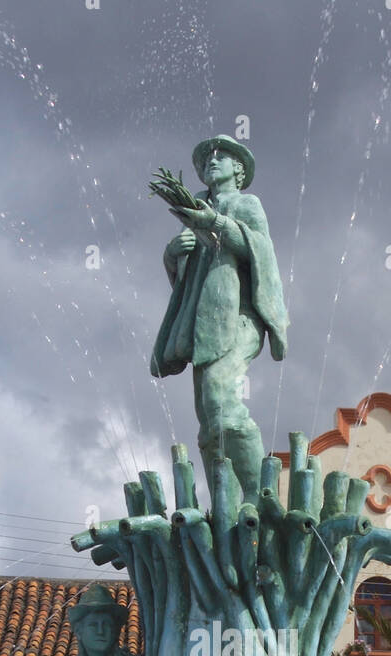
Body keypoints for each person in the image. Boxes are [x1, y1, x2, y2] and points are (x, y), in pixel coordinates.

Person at [150, 134, 288, 503]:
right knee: (209, 422)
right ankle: (225, 505)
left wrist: (212, 223)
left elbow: (258, 251)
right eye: (207, 159)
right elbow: (187, 282)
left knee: (223, 405)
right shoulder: (194, 212)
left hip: (239, 319)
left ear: (238, 169)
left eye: (222, 157)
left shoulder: (246, 204)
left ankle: (262, 500)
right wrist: (172, 254)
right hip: (205, 329)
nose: (212, 162)